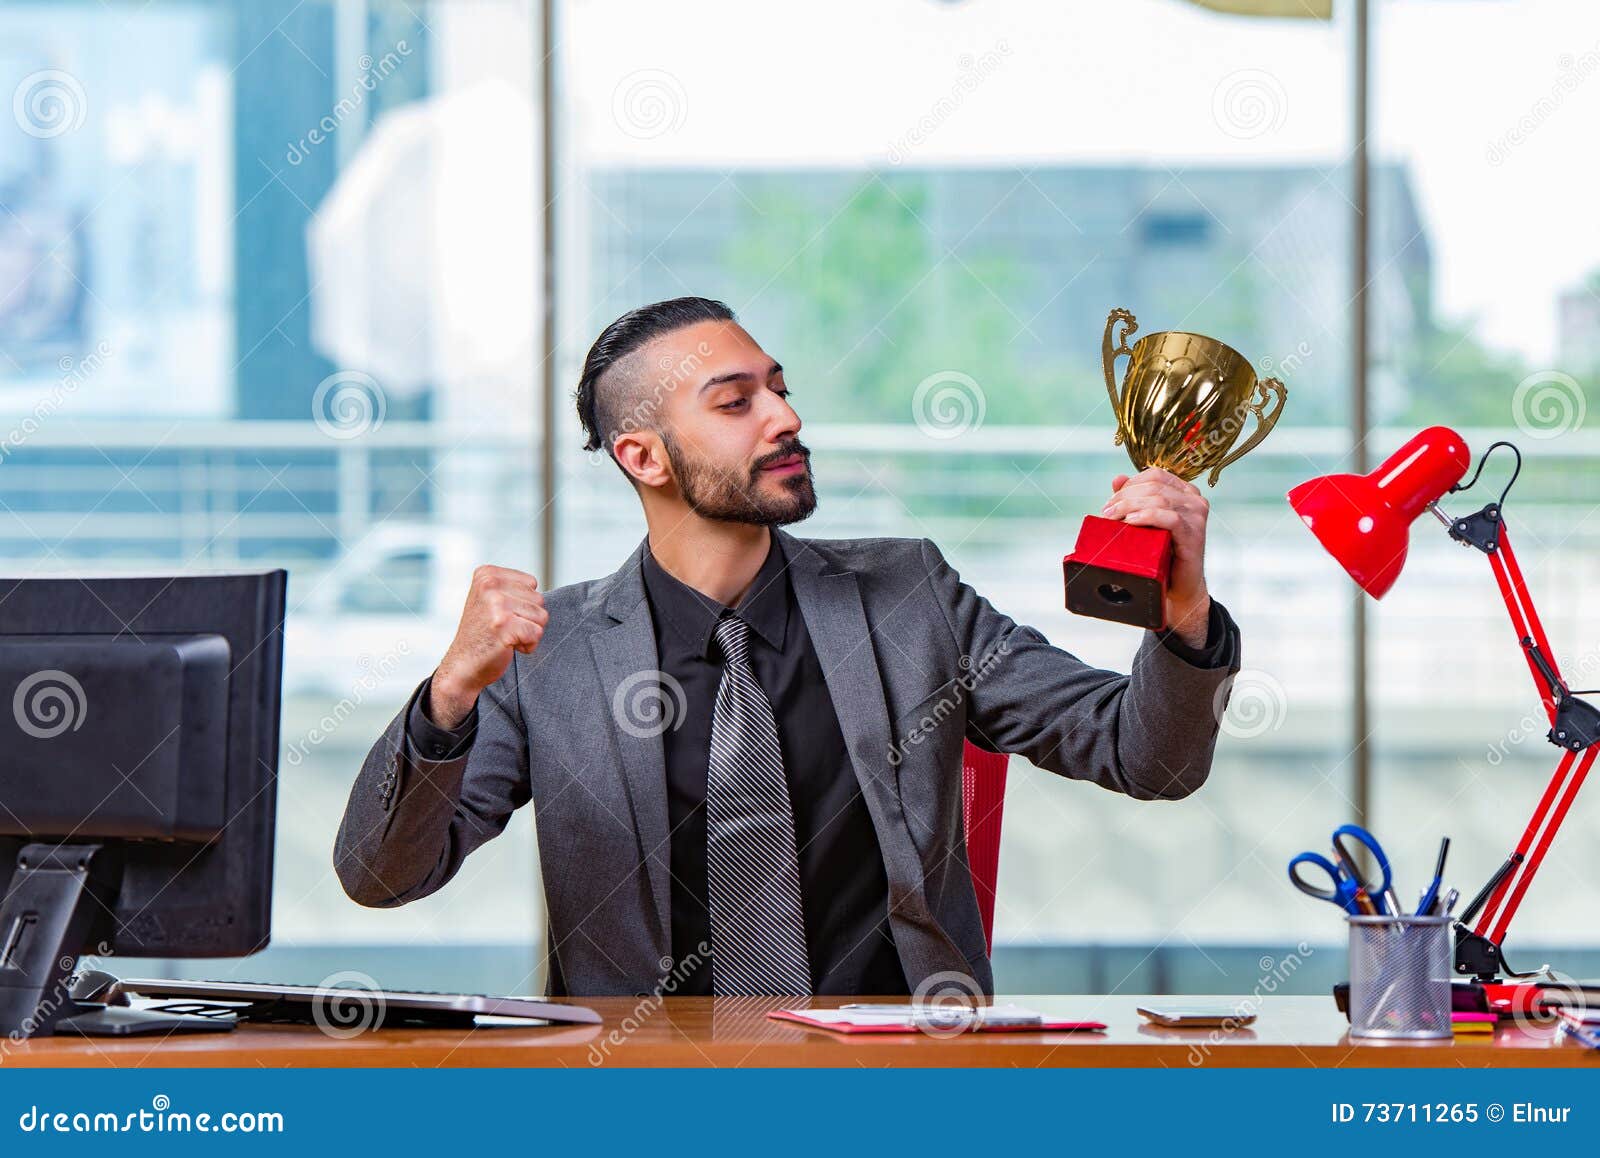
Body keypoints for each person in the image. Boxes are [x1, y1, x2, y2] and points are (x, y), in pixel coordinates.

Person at [335, 296, 1241, 998]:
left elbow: (1149, 759)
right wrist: (449, 694)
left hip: (897, 1078)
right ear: (643, 458)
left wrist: (1184, 614)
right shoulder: (554, 652)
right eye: (737, 403)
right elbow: (381, 876)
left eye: (780, 388)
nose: (784, 418)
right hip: (648, 1089)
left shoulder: (908, 595)